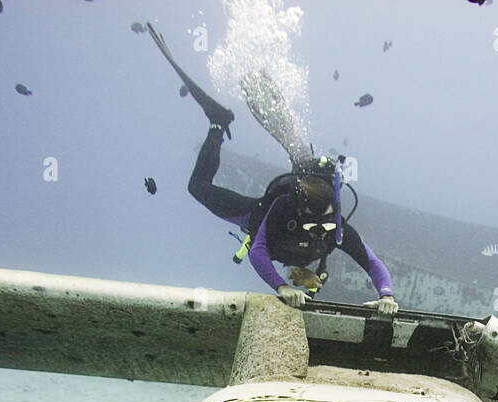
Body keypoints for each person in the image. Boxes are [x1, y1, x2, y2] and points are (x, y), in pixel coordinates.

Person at [147, 24, 398, 315]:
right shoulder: (281, 209)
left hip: (301, 196)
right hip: (257, 214)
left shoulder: (336, 227)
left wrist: (387, 295)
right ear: (298, 212)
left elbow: (371, 261)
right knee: (198, 188)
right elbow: (257, 252)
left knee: (304, 159)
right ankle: (218, 122)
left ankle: (301, 155)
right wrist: (282, 286)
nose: (318, 231)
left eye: (324, 225)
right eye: (312, 224)